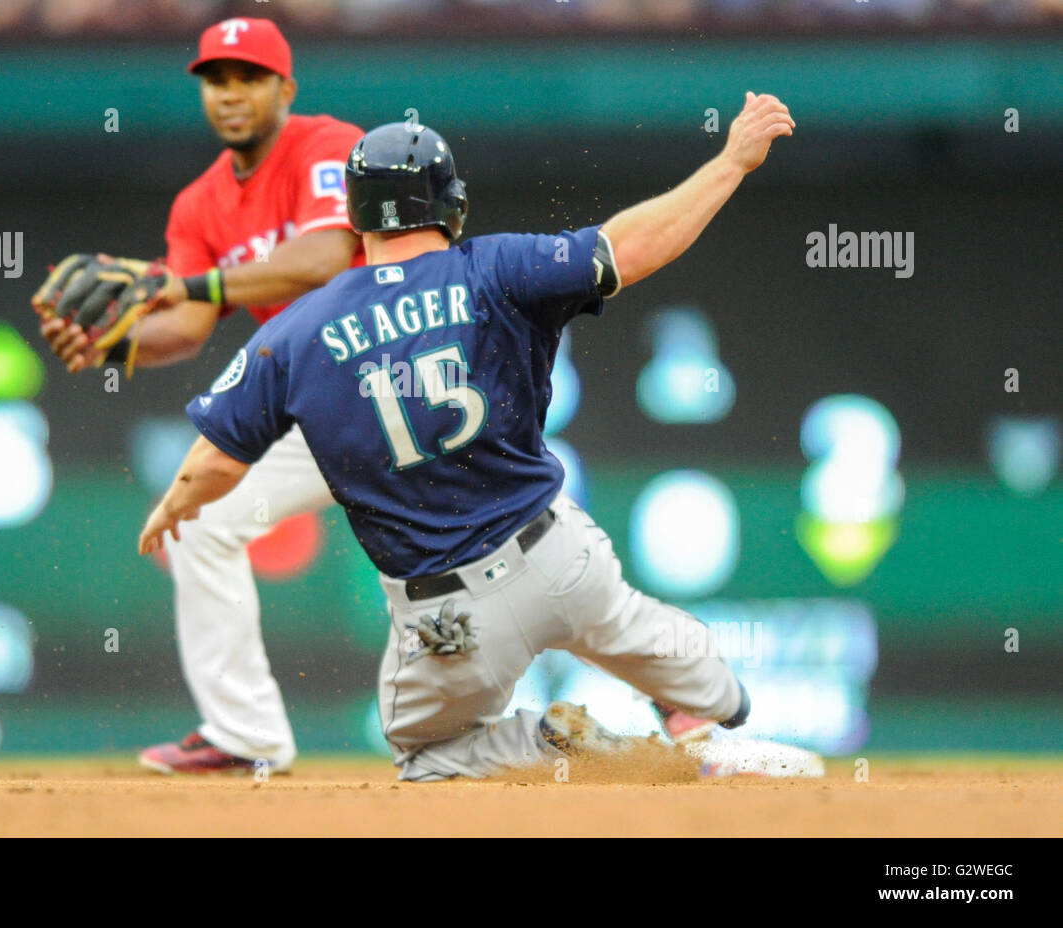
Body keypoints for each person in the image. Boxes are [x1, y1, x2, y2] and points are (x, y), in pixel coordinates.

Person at [136, 93, 797, 780]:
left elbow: (213, 460)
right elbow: (629, 246)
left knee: (427, 756)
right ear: (451, 204)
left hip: (449, 620)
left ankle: (549, 744)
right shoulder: (497, 268)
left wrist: (174, 505)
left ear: (356, 215)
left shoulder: (299, 330)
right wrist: (731, 162)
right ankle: (714, 714)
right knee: (699, 680)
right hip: (560, 560)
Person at [36, 18, 364, 775]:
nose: (231, 93)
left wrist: (179, 283)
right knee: (197, 523)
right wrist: (112, 343)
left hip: (396, 385)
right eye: (217, 79)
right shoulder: (200, 203)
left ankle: (669, 681)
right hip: (314, 406)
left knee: (497, 553)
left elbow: (321, 260)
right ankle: (244, 732)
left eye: (250, 76)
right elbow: (182, 326)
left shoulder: (324, 145)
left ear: (285, 88)